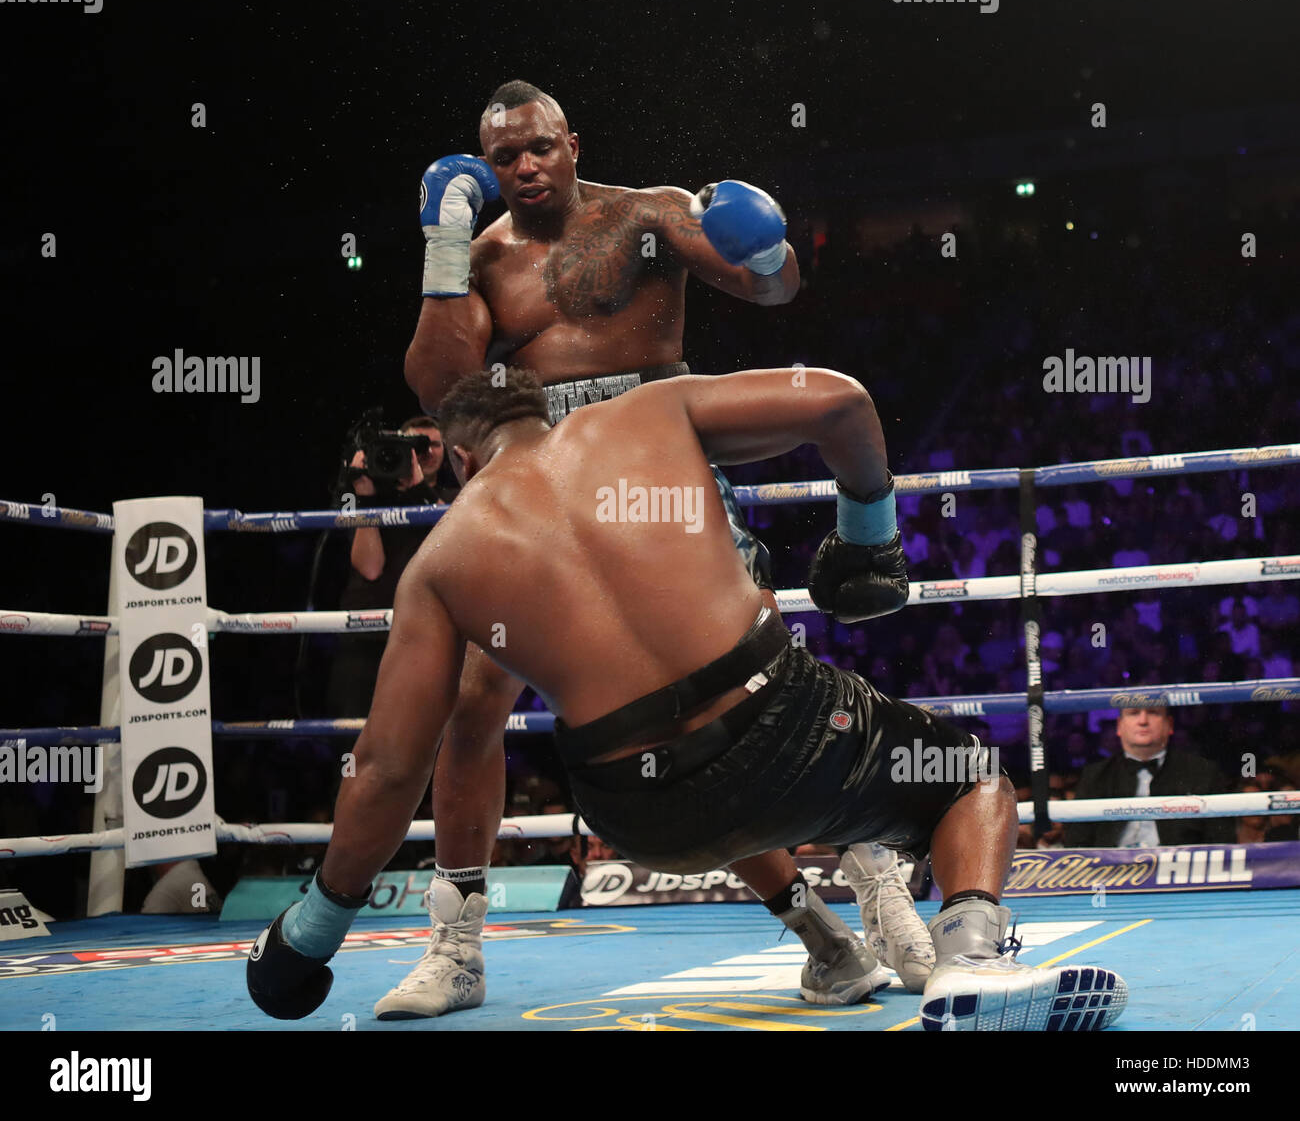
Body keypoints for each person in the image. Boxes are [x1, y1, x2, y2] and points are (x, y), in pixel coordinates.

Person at [247, 366, 1128, 1032]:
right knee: (971, 774)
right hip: (784, 733)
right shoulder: (645, 411)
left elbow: (390, 768)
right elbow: (844, 404)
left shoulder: (441, 563)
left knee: (685, 758)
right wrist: (868, 543)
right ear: (544, 412)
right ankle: (969, 957)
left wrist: (309, 935)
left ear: (461, 458)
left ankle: (832, 940)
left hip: (633, 812)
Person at [392, 79, 933, 1011]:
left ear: (572, 143)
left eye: (539, 148)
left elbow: (773, 287)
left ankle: (873, 873)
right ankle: (458, 947)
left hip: (660, 469)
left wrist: (762, 242)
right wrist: (443, 246)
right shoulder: (477, 258)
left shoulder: (648, 217)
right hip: (542, 490)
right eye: (503, 157)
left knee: (748, 693)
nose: (523, 168)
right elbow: (445, 383)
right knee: (476, 700)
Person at [327, 417, 454, 717]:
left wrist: (418, 489)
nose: (426, 452)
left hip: (426, 632)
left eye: (433, 444)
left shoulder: (453, 500)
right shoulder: (363, 498)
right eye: (416, 445)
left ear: (446, 450)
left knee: (422, 733)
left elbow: (452, 546)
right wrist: (366, 498)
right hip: (366, 632)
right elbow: (370, 568)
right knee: (354, 729)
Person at [1062, 705, 1234, 848]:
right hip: (1111, 876)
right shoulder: (1095, 775)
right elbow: (1077, 842)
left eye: (1153, 712)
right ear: (1119, 726)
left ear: (1170, 724)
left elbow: (1221, 840)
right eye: (1134, 713)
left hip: (1179, 876)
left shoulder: (1202, 772)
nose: (1143, 721)